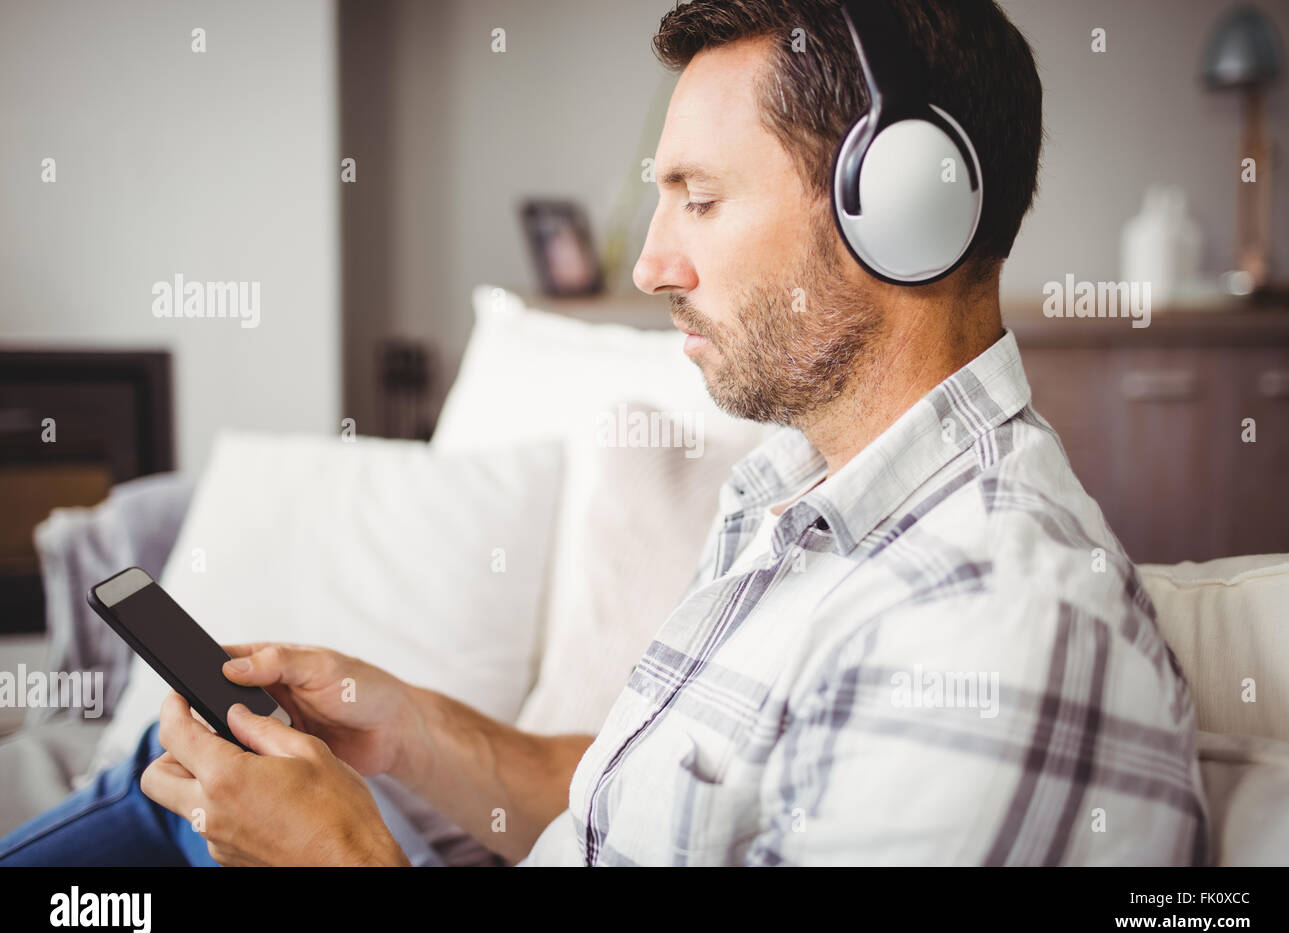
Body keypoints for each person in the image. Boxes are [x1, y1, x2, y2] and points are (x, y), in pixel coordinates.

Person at [0, 0, 1209, 867]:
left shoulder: (994, 626)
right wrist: (413, 731)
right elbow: (630, 815)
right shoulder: (796, 500)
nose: (650, 260)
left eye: (701, 196)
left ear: (900, 206)